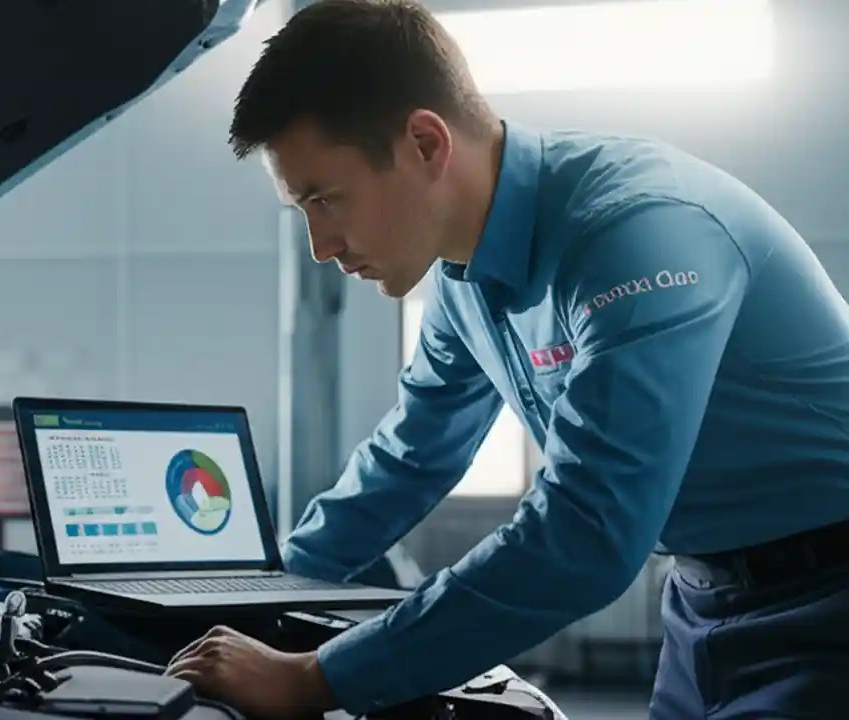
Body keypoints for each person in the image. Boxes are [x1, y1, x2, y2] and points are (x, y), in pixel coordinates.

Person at [162, 1, 849, 718]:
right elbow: (406, 463)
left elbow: (586, 534)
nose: (321, 247)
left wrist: (317, 678)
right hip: (703, 603)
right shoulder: (462, 284)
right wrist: (250, 598)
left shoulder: (637, 232)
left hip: (832, 605)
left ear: (426, 144)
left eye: (327, 199)